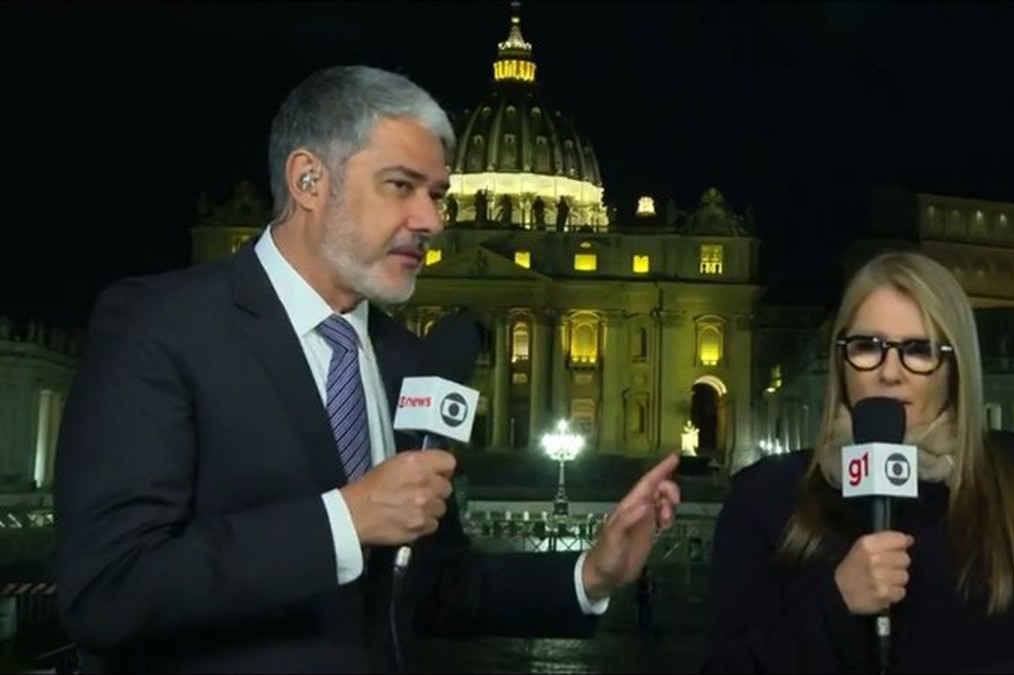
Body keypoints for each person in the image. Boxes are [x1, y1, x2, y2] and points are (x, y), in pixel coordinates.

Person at [53, 65, 680, 673]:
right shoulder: (158, 326)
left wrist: (591, 573)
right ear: (308, 180)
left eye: (438, 195)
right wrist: (346, 521)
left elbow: (434, 586)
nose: (433, 221)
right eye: (401, 186)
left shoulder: (405, 357)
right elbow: (107, 590)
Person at [701, 251, 1014, 673]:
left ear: (954, 367)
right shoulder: (764, 496)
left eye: (919, 350)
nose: (890, 372)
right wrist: (835, 605)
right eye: (867, 346)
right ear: (840, 360)